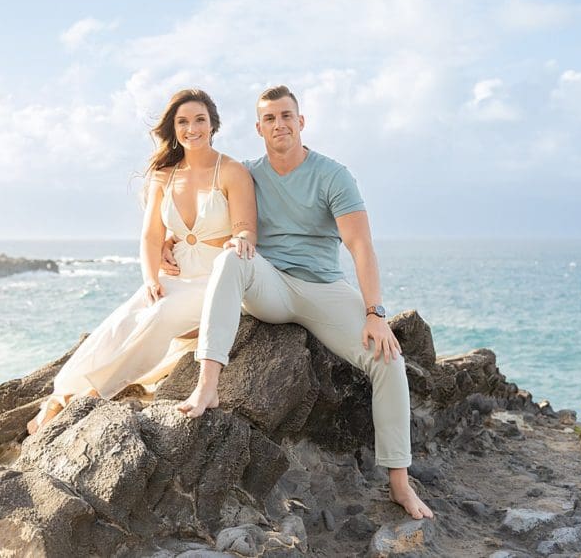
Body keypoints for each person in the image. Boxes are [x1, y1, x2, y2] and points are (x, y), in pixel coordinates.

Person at [166, 85, 434, 519]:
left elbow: (361, 245)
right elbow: (218, 220)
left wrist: (375, 313)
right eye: (269, 119)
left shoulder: (333, 175)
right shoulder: (246, 173)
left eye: (287, 116)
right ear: (258, 128)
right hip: (269, 285)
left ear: (301, 121)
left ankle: (400, 483)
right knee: (234, 257)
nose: (279, 125)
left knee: (388, 360)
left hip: (324, 288)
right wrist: (171, 244)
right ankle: (208, 385)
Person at [26, 88, 256, 435]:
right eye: (182, 122)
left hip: (216, 279)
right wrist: (151, 279)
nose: (191, 128)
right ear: (173, 128)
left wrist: (239, 240)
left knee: (159, 317)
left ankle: (93, 393)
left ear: (213, 125)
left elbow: (245, 230)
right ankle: (62, 393)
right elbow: (150, 236)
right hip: (175, 271)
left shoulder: (232, 171)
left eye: (199, 120)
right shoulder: (164, 175)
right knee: (125, 319)